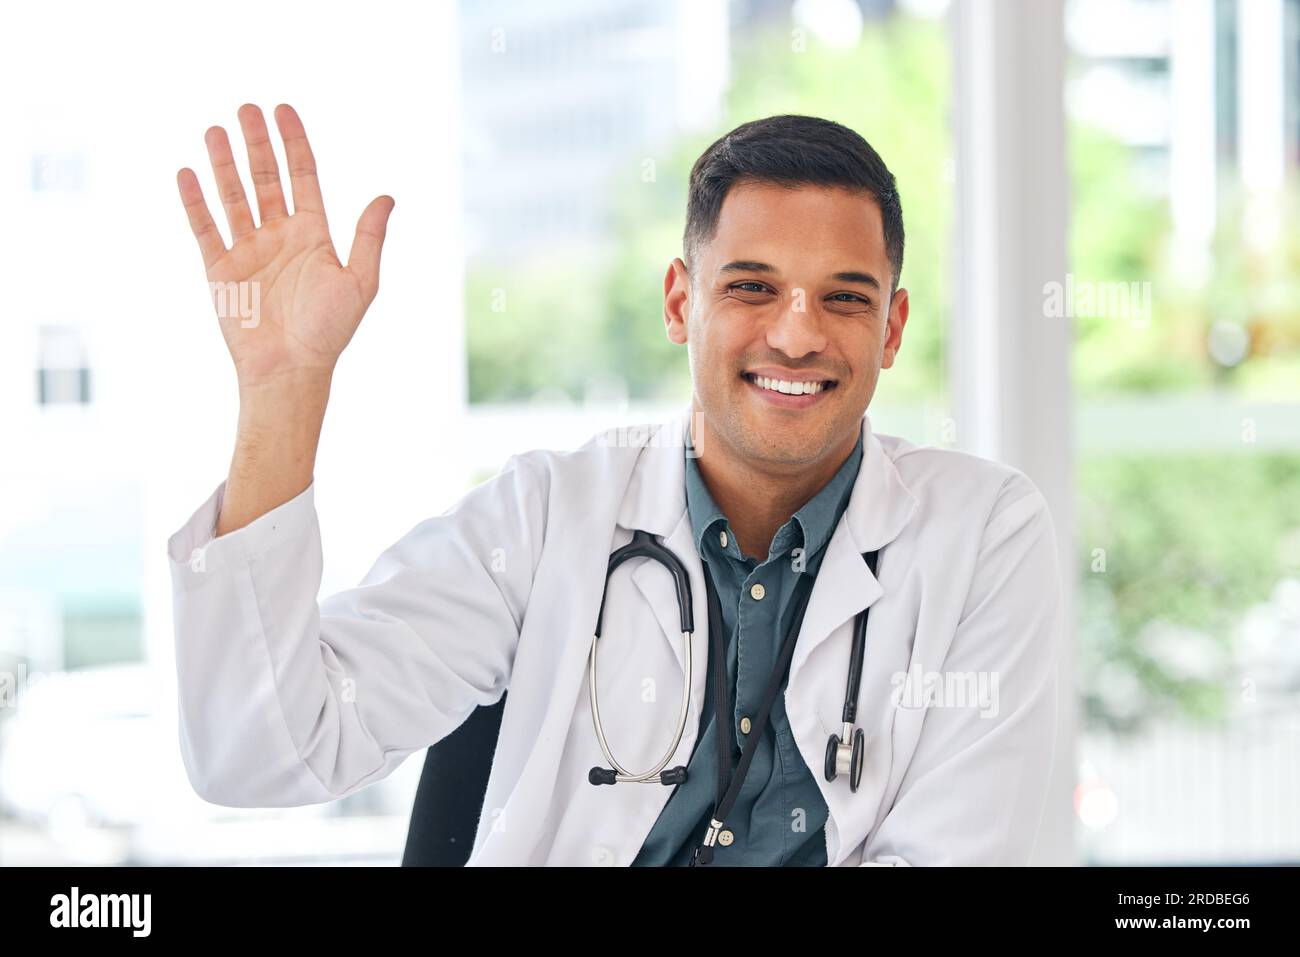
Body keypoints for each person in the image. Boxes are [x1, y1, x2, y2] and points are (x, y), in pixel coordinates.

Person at [169, 104, 1062, 866]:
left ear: (893, 326)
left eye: (845, 297)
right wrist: (284, 390)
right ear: (681, 303)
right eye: (753, 286)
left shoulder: (984, 532)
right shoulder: (543, 518)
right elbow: (261, 752)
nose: (797, 336)